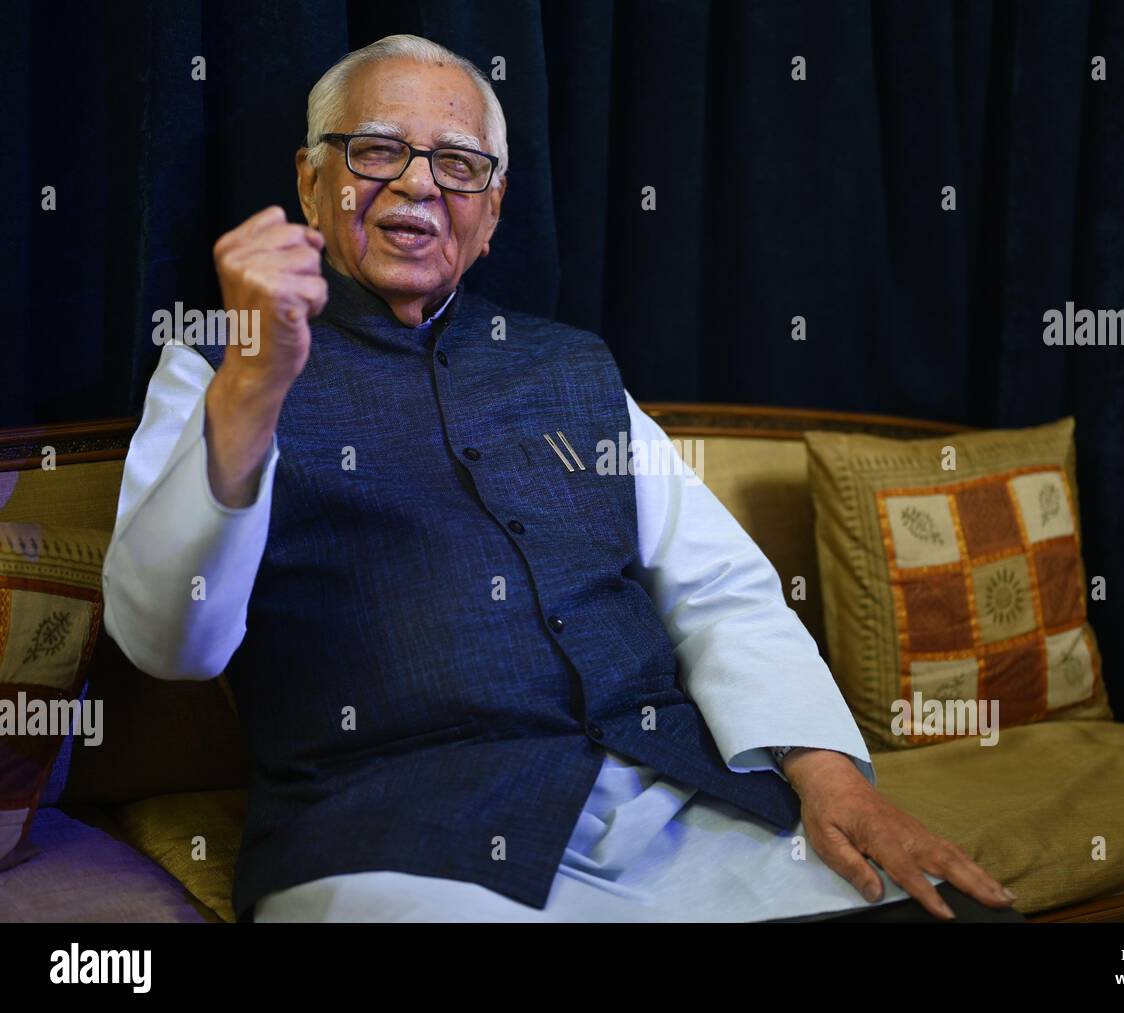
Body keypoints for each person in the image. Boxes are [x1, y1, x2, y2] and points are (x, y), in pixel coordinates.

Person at [102, 33, 1021, 924]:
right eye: (377, 150)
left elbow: (719, 591)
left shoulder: (572, 368)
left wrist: (828, 775)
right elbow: (166, 642)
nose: (418, 183)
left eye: (458, 163)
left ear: (492, 211)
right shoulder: (217, 368)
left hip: (672, 806)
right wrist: (255, 386)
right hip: (396, 843)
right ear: (312, 181)